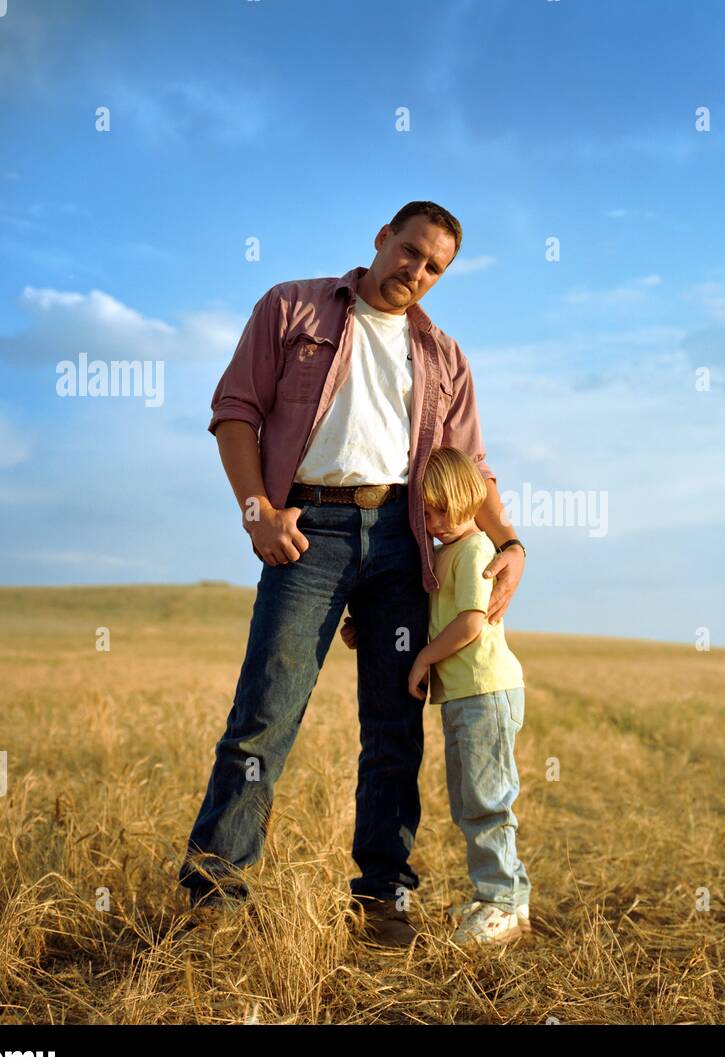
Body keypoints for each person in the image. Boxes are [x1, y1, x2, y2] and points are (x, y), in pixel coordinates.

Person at [177, 202, 528, 948]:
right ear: (381, 240)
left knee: (395, 726)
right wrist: (257, 512)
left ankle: (382, 898)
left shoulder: (445, 355)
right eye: (410, 251)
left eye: (436, 267)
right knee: (263, 717)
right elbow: (234, 411)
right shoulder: (291, 306)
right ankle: (213, 898)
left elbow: (475, 469)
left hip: (407, 543)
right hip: (309, 533)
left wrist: (512, 542)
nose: (417, 271)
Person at [344, 447, 530, 945]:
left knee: (486, 801)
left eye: (442, 508)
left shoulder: (472, 551)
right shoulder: (444, 552)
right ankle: (510, 899)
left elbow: (470, 622)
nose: (434, 521)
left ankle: (501, 901)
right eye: (424, 512)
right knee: (473, 798)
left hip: (486, 692)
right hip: (467, 695)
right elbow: (436, 614)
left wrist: (424, 658)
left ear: (470, 497)